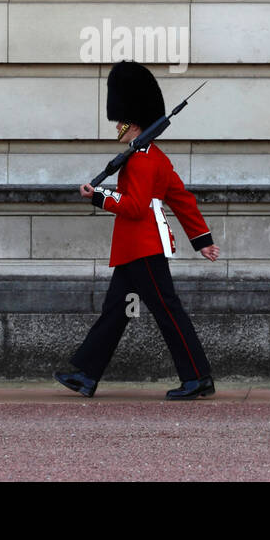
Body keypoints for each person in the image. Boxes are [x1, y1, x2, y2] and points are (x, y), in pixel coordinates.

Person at [54, 61, 222, 401]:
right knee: (116, 312)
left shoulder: (143, 160)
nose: (117, 126)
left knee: (166, 310)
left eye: (122, 121)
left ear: (135, 123)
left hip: (143, 245)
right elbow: (183, 200)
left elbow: (134, 205)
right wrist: (202, 241)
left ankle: (197, 377)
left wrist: (99, 195)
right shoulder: (152, 156)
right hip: (137, 247)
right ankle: (85, 374)